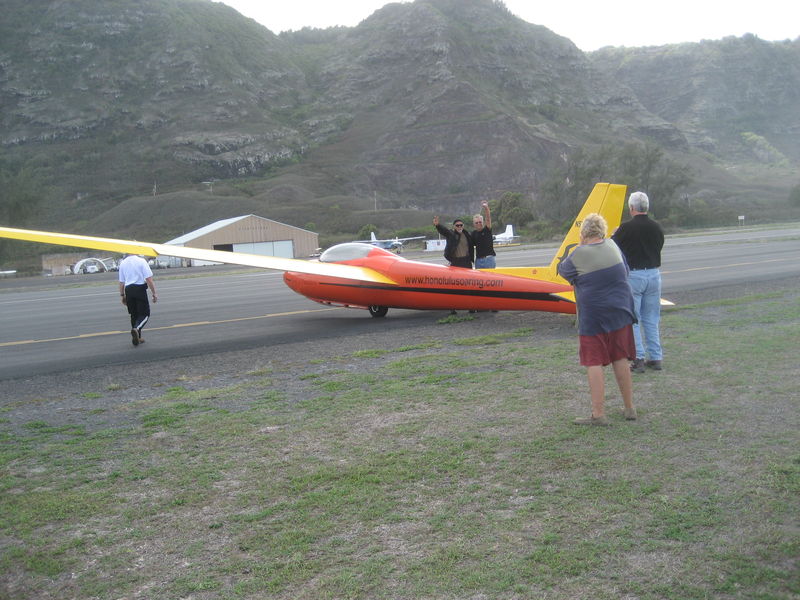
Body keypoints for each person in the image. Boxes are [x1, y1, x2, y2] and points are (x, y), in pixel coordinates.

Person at [558, 213, 637, 426]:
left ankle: (598, 414)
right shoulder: (613, 245)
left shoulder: (578, 254)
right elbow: (626, 271)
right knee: (620, 357)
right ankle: (629, 407)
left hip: (593, 316)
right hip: (620, 311)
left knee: (593, 361)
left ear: (583, 233)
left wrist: (580, 246)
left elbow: (563, 271)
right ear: (602, 230)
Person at [611, 191, 665, 372]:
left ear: (631, 207)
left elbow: (613, 248)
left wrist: (614, 234)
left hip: (634, 275)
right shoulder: (657, 227)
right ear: (647, 207)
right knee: (651, 318)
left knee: (633, 318)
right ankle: (656, 357)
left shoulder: (625, 228)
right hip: (654, 274)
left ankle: (638, 358)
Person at [118, 254, 158, 346]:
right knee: (145, 314)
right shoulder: (141, 261)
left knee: (134, 314)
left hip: (129, 290)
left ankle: (137, 337)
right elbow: (149, 279)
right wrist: (154, 293)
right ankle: (136, 328)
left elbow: (121, 282)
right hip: (139, 289)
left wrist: (122, 295)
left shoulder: (123, 263)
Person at [472, 201, 496, 269]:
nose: (478, 224)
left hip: (489, 259)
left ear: (483, 222)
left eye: (480, 222)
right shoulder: (473, 233)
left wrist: (486, 208)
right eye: (476, 222)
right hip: (478, 260)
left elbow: (488, 218)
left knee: (490, 276)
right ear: (474, 224)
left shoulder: (487, 229)